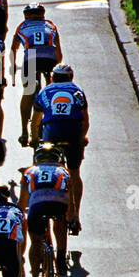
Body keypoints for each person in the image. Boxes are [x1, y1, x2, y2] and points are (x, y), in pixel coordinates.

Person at [28, 63, 87, 235]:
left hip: (52, 132)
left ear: (52, 77)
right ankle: (74, 215)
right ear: (71, 77)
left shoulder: (44, 91)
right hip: (73, 133)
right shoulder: (77, 91)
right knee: (74, 172)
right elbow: (85, 119)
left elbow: (36, 120)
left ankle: (41, 199)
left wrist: (34, 140)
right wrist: (82, 137)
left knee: (44, 166)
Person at [18, 142, 74, 277]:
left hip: (37, 207)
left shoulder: (29, 171)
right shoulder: (63, 170)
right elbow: (71, 200)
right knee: (61, 220)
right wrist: (71, 217)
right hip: (58, 203)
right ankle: (61, 257)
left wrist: (22, 218)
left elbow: (22, 204)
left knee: (35, 242)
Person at [12, 4, 63, 115]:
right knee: (52, 87)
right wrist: (57, 65)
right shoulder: (50, 25)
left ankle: (24, 130)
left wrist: (13, 65)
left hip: (30, 57)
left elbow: (13, 48)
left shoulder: (22, 26)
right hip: (49, 59)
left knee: (28, 91)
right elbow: (58, 50)